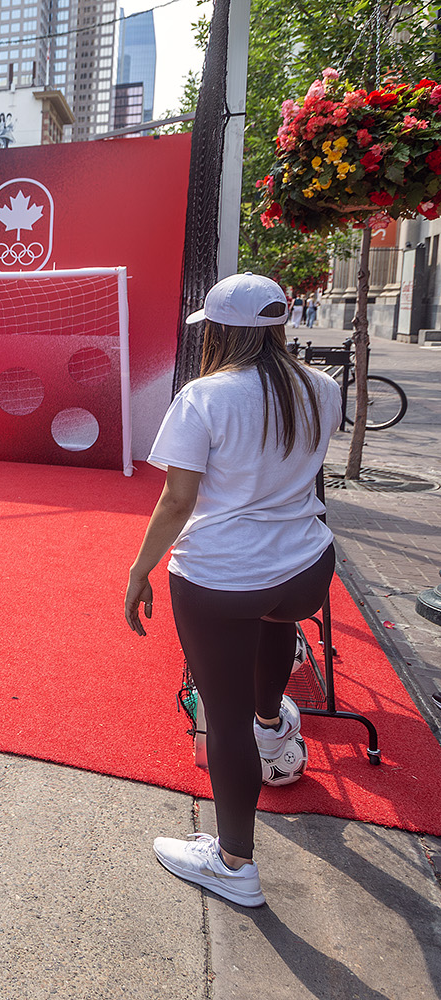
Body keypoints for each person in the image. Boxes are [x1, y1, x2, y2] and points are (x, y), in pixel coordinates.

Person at [125, 272, 341, 908]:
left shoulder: (204, 396)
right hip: (305, 570)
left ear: (220, 331)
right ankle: (273, 725)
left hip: (224, 577)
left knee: (222, 722)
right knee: (276, 628)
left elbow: (176, 499)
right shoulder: (323, 387)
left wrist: (140, 569)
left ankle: (233, 863)